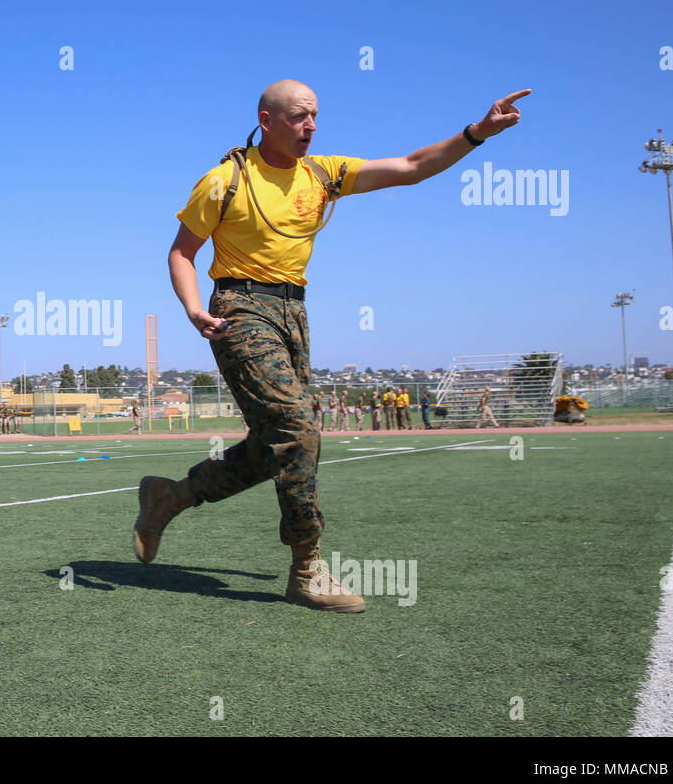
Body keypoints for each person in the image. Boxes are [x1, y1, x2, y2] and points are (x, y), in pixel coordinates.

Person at [132, 77, 530, 612]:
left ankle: (172, 497)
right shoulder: (225, 180)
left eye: (316, 115)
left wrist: (477, 133)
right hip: (240, 308)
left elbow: (411, 168)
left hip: (295, 313)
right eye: (299, 116)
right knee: (298, 428)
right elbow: (182, 252)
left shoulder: (323, 173)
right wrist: (192, 306)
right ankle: (307, 568)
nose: (311, 126)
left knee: (279, 442)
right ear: (267, 120)